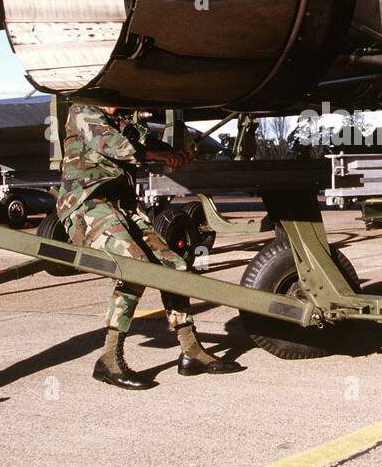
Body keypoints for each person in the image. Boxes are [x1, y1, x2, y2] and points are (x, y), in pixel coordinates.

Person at [57, 102, 243, 387]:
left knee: (176, 268)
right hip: (86, 206)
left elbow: (144, 139)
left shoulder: (118, 120)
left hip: (121, 207)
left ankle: (191, 350)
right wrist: (156, 153)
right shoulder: (83, 111)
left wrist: (175, 153)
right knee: (136, 268)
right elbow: (116, 145)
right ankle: (109, 358)